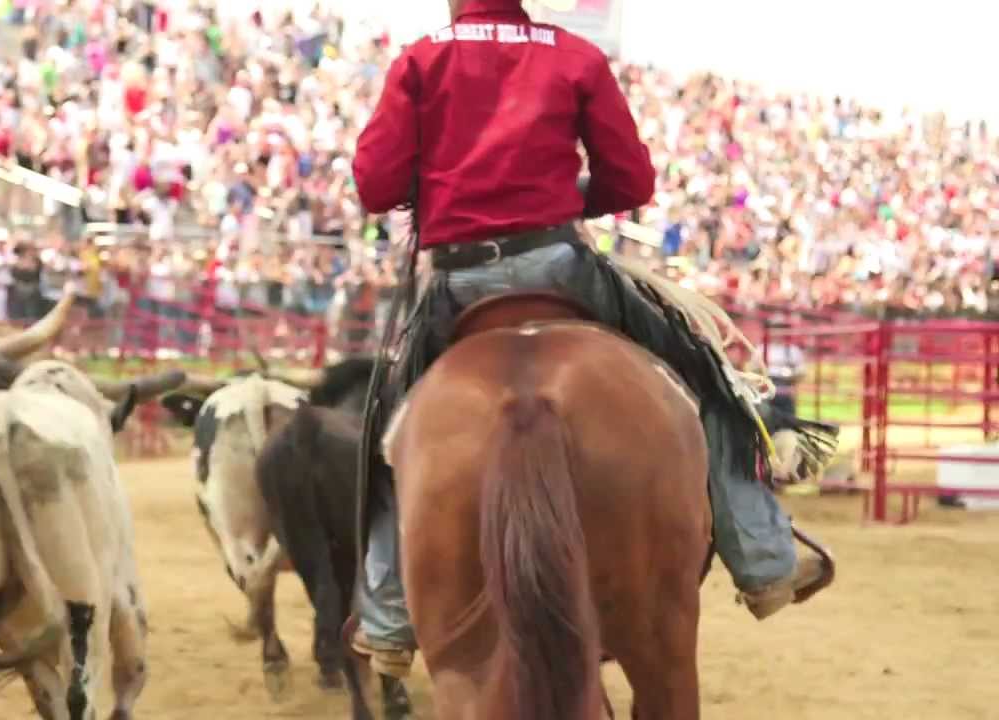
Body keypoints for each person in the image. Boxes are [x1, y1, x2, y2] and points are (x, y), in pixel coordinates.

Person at [347, 0, 835, 676]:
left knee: (390, 427)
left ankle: (388, 617)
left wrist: (440, 185)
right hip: (560, 264)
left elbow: (374, 185)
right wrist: (562, 191)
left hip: (459, 280)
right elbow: (632, 179)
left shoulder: (420, 60)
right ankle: (765, 560)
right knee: (704, 379)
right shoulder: (573, 54)